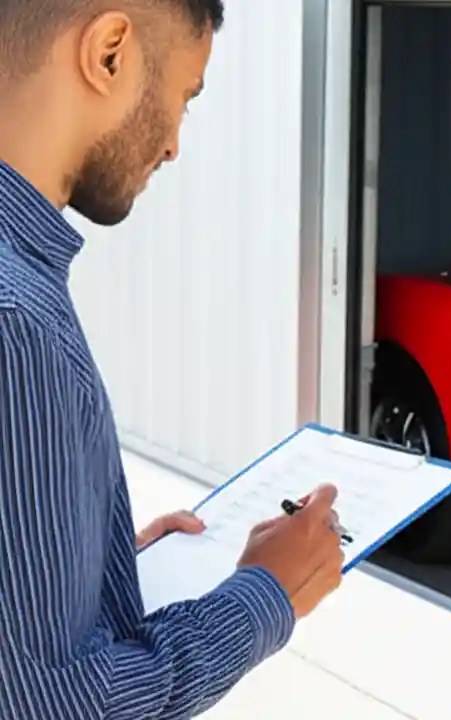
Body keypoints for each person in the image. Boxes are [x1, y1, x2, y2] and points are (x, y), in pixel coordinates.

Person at [0, 2, 344, 718]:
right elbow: (56, 705)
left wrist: (89, 571)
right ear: (110, 53)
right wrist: (266, 595)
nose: (173, 146)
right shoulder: (16, 323)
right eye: (183, 98)